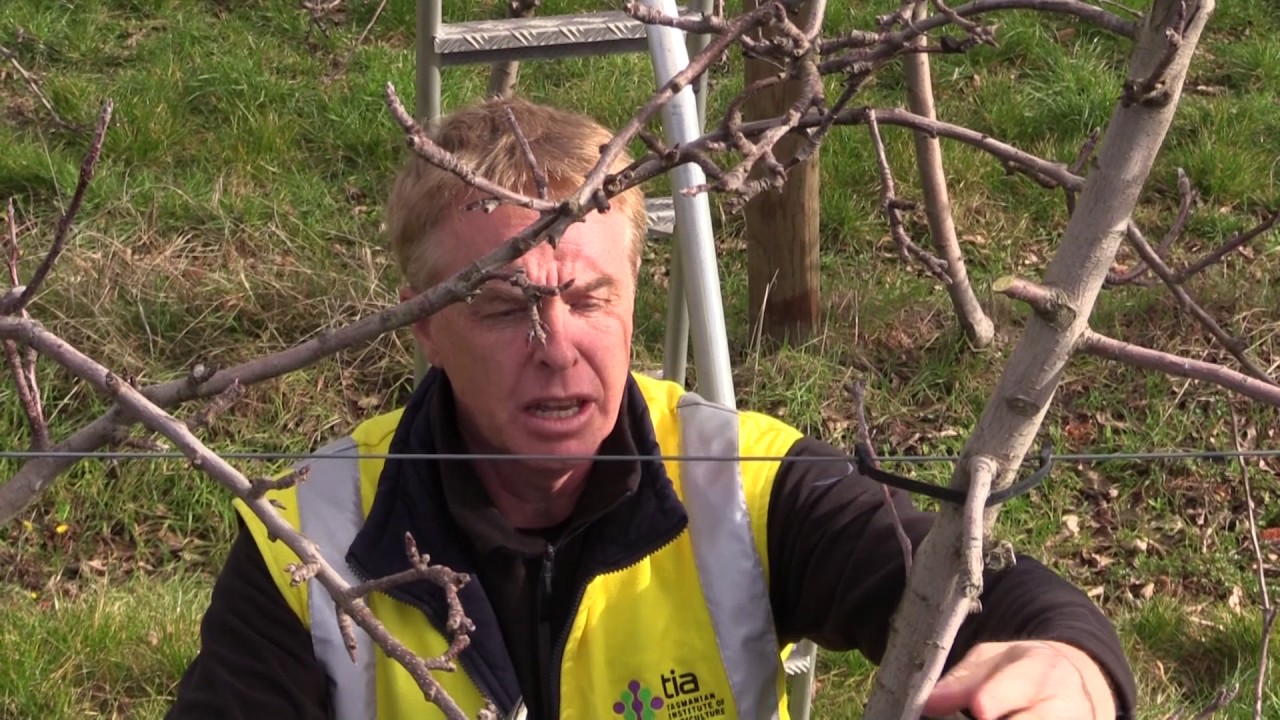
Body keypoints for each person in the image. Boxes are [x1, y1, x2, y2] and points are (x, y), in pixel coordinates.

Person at [167, 97, 1136, 720]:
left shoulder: (742, 484)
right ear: (424, 328)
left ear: (634, 297)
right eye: (505, 308)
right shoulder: (308, 536)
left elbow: (977, 586)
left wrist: (1070, 669)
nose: (557, 345)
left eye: (589, 300)